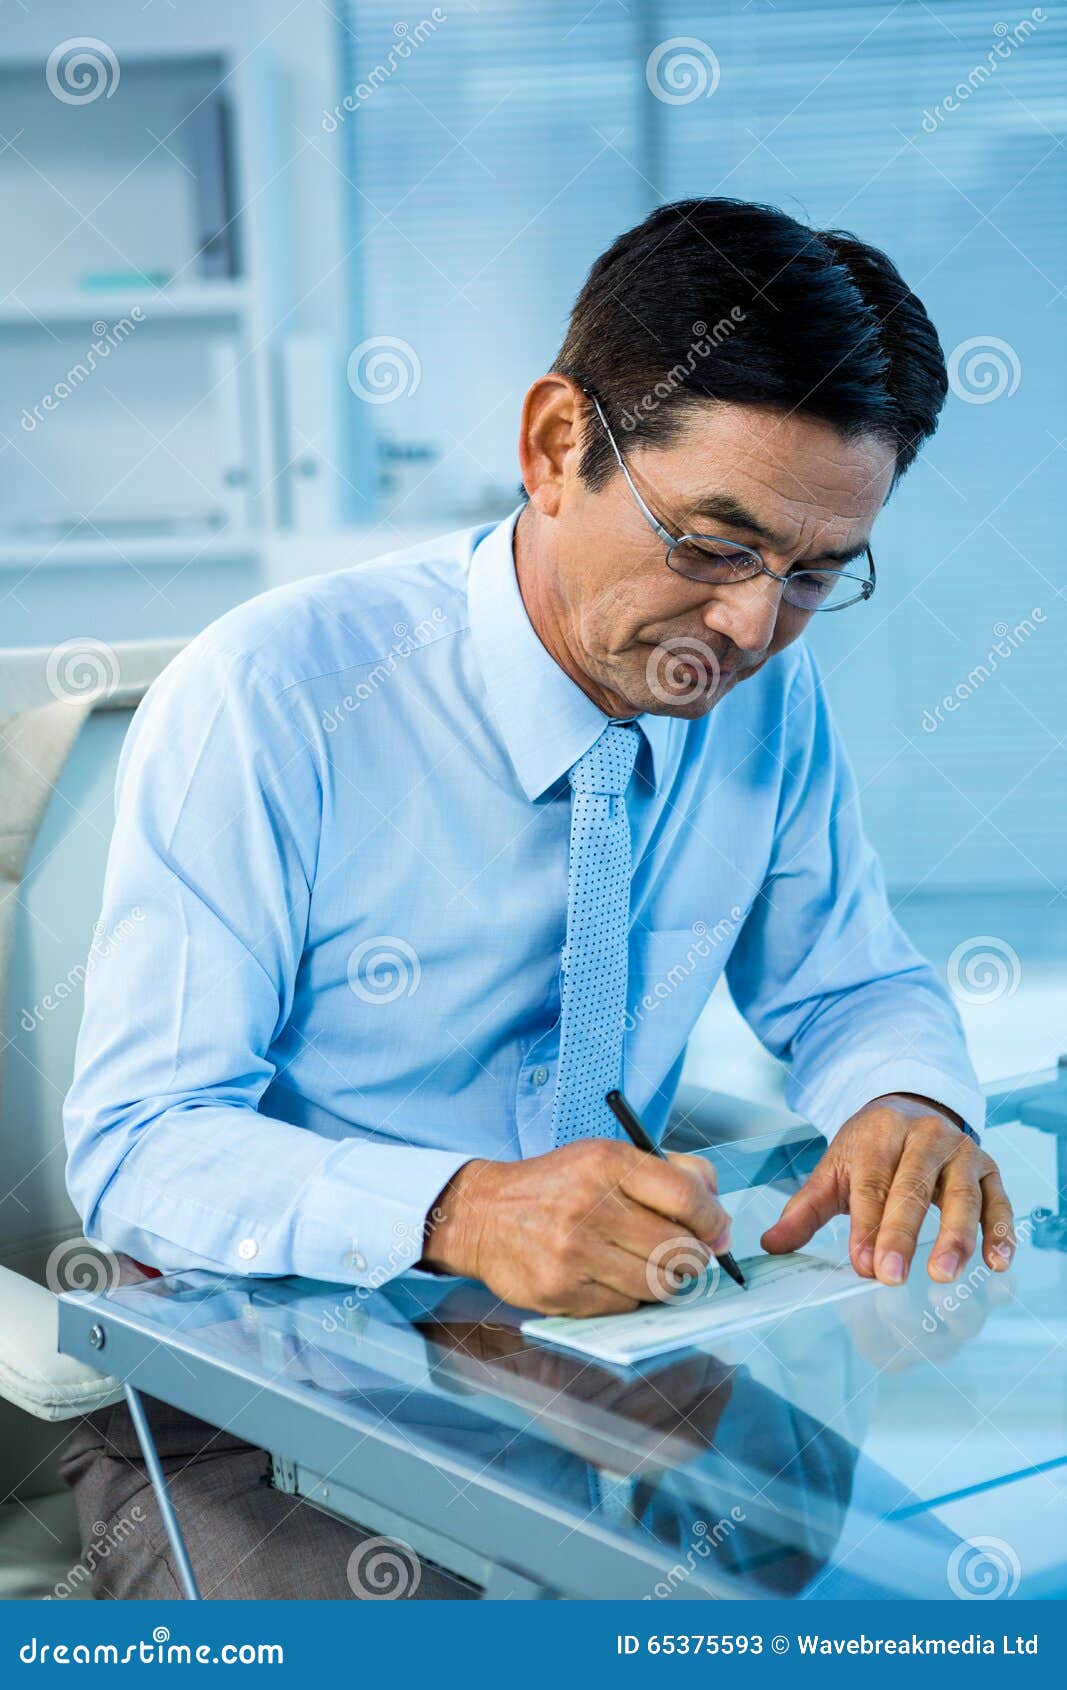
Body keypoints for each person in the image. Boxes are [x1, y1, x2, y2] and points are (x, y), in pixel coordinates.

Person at [61, 197, 1014, 1598]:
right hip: (252, 1405)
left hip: (608, 1361)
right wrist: (459, 1210)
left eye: (813, 574)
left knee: (916, 1593)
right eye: (714, 541)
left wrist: (910, 1098)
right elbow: (140, 1144)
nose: (752, 628)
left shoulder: (763, 700)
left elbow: (852, 981)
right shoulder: (274, 698)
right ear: (557, 444)